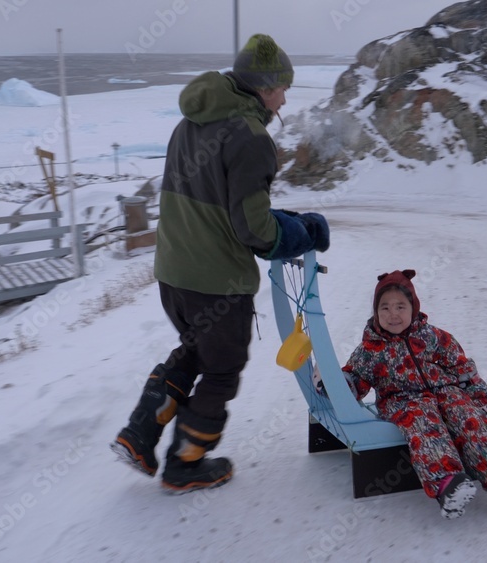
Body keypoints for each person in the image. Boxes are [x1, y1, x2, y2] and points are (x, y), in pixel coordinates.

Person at [111, 34, 330, 494]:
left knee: (195, 350)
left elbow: (215, 204)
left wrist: (282, 221)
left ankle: (139, 433)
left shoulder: (188, 123)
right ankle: (185, 464)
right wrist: (303, 232)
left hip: (173, 273)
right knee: (221, 369)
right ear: (265, 87)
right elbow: (254, 230)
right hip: (217, 281)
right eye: (282, 87)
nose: (286, 97)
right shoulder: (251, 137)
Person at [342, 269, 487, 518]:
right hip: (402, 400)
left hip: (446, 392)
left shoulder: (433, 337)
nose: (393, 314)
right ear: (375, 311)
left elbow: (461, 367)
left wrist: (479, 397)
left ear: (413, 307)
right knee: (424, 423)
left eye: (400, 306)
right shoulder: (369, 349)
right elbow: (355, 378)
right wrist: (339, 384)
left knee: (469, 419)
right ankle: (447, 484)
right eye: (384, 308)